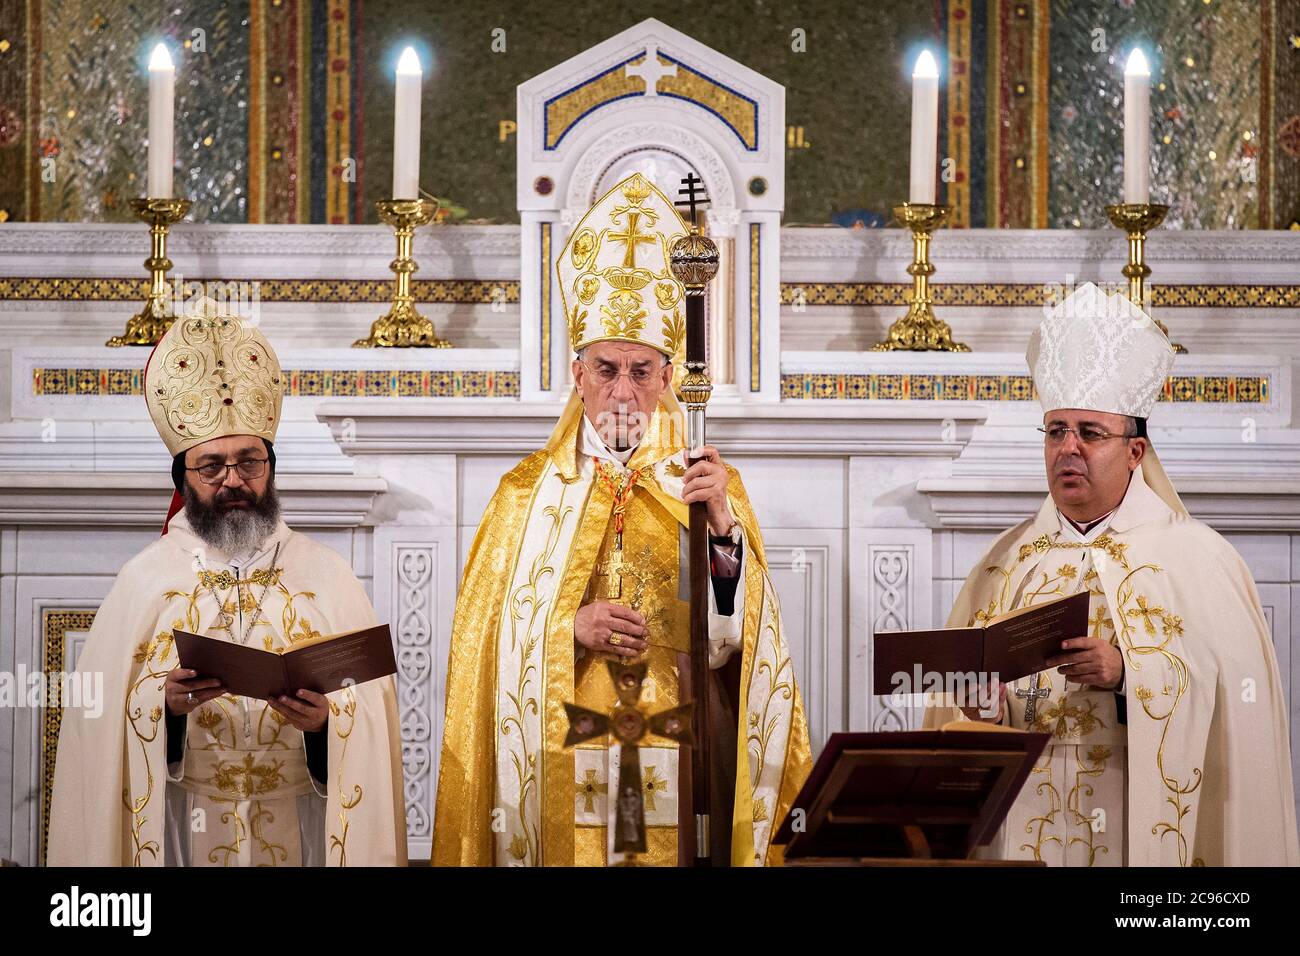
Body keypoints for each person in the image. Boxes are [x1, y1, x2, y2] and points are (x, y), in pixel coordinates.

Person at [432, 173, 811, 866]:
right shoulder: (524, 494)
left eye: (642, 370)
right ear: (576, 374)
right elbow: (480, 654)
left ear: (669, 379)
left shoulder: (707, 489)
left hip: (674, 735)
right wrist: (566, 628)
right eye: (606, 367)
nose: (623, 389)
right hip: (557, 745)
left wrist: (725, 530)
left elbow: (739, 645)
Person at [928, 282, 1298, 866]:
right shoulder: (1005, 562)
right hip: (1023, 820)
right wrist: (980, 706)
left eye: (1090, 433)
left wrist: (1127, 671)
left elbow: (1235, 699)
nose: (1067, 449)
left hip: (1135, 819)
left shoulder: (1199, 558)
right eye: (1055, 431)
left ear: (1135, 452)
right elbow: (961, 718)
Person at [49, 312, 406, 866]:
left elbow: (374, 717)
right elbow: (93, 730)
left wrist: (326, 725)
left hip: (303, 828)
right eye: (211, 466)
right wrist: (161, 707)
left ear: (270, 466)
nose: (233, 480)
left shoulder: (328, 575)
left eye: (248, 462)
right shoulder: (144, 580)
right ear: (183, 478)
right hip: (184, 831)